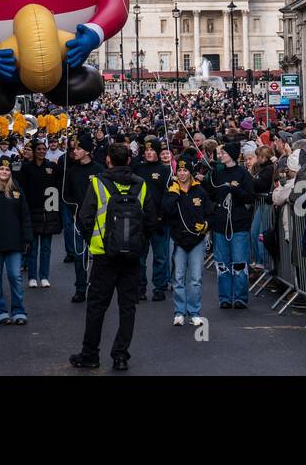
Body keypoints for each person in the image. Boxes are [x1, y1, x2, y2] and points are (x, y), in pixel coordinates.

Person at [69, 140, 154, 372]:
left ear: (108, 159)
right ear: (128, 160)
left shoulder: (97, 183)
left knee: (97, 306)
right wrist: (140, 242)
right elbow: (150, 218)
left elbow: (85, 218)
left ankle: (90, 354)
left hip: (104, 254)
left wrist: (94, 241)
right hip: (132, 255)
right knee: (128, 307)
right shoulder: (141, 184)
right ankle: (120, 355)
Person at [0, 156, 32, 325]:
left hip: (14, 240)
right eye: (1, 169)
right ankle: (0, 311)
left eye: (7, 169)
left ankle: (18, 310)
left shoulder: (17, 189)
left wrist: (27, 237)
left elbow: (25, 215)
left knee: (15, 276)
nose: (4, 172)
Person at [206, 138, 256, 309]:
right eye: (220, 153)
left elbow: (250, 196)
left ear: (232, 155)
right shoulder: (218, 173)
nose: (221, 155)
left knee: (239, 262)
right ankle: (225, 297)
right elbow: (210, 193)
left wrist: (235, 190)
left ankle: (241, 297)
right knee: (222, 263)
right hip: (220, 224)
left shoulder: (243, 174)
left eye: (224, 153)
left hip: (239, 223)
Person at [164, 149, 211, 326]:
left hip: (197, 240)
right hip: (178, 240)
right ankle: (179, 311)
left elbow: (210, 212)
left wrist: (207, 225)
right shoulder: (172, 190)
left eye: (185, 171)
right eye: (180, 171)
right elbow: (166, 210)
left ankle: (194, 311)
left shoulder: (200, 190)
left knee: (195, 279)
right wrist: (174, 194)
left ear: (190, 172)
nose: (182, 174)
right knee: (178, 278)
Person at [58, 133, 103, 303]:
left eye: (78, 148)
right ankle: (80, 288)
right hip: (78, 220)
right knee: (79, 255)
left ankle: (97, 288)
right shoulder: (71, 171)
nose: (74, 151)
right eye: (73, 148)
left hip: (98, 220)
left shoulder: (99, 170)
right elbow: (65, 195)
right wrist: (74, 209)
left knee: (99, 256)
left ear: (88, 151)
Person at [132, 137, 172, 301]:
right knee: (140, 257)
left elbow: (167, 195)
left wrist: (162, 216)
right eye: (146, 150)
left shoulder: (164, 170)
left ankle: (159, 287)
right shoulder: (137, 168)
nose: (149, 153)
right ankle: (140, 287)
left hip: (159, 219)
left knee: (160, 256)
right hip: (140, 219)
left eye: (152, 150)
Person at [17, 139, 60, 289]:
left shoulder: (52, 167)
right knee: (33, 247)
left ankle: (44, 276)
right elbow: (21, 189)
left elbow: (56, 188)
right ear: (34, 151)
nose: (42, 151)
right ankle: (33, 277)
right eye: (39, 149)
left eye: (44, 149)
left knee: (46, 247)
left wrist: (55, 210)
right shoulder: (26, 168)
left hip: (48, 211)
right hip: (31, 210)